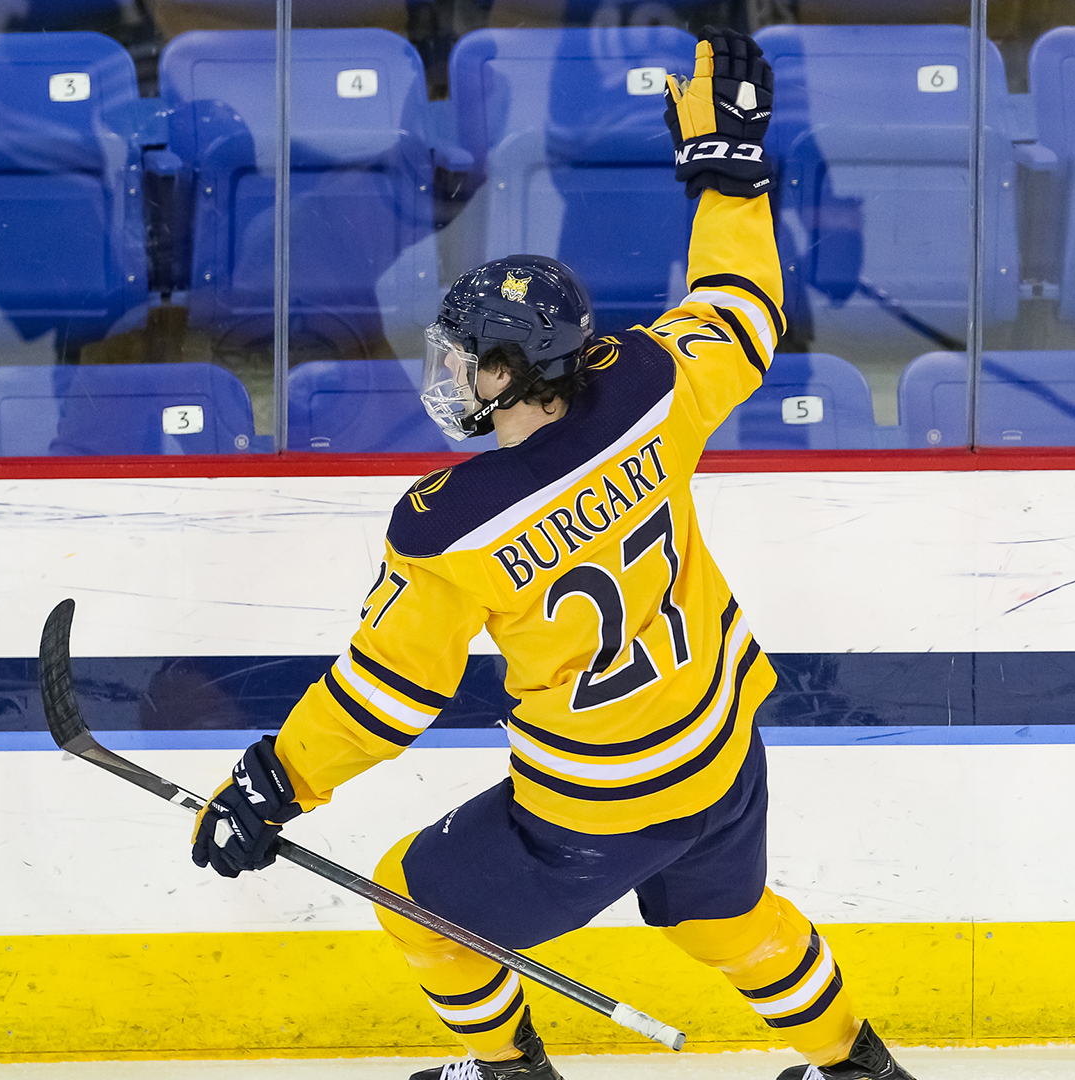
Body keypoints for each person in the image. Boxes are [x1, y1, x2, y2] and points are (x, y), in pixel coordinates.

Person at [189, 28, 917, 1080]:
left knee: (419, 902)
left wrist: (274, 783)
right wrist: (731, 178)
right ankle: (860, 1070)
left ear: (510, 372)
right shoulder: (650, 388)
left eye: (466, 361)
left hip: (601, 799)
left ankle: (508, 1078)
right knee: (727, 920)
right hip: (719, 744)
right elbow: (741, 308)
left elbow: (385, 699)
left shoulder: (452, 522)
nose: (451, 373)